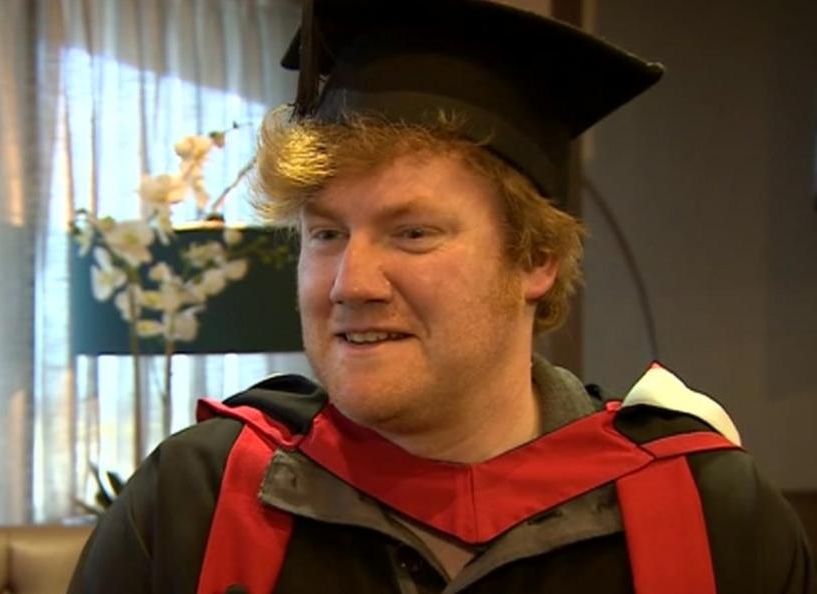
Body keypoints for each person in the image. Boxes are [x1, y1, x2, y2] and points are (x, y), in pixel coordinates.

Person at [69, 1, 815, 593]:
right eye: (326, 234)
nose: (351, 284)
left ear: (537, 259)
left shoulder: (714, 518)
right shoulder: (194, 502)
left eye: (414, 233)